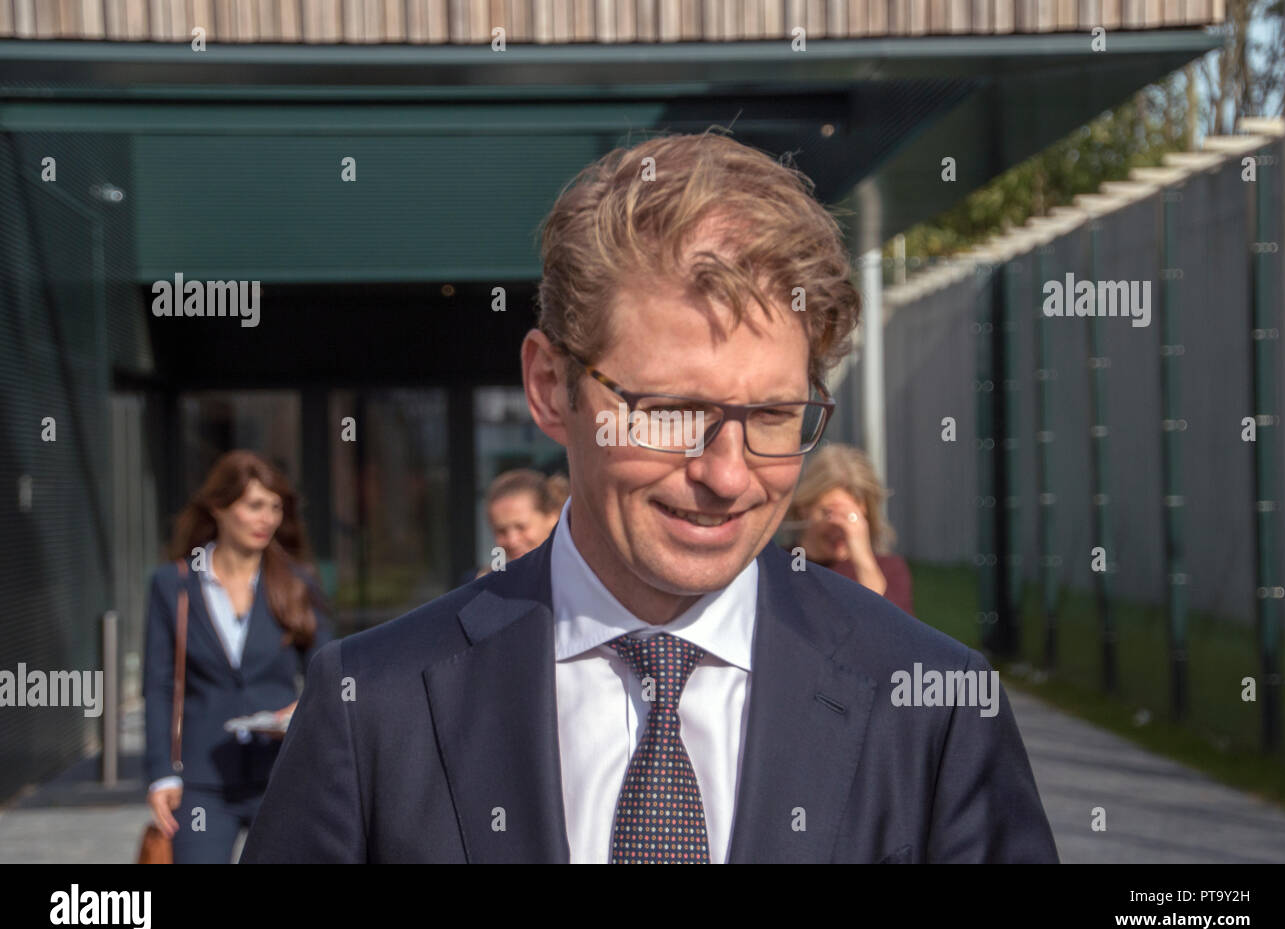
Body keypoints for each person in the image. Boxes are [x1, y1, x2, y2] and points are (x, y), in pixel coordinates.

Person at [243, 129, 1057, 863]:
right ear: (552, 387)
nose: (728, 475)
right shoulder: (372, 707)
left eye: (774, 415)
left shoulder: (934, 707)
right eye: (671, 413)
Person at [144, 449, 333, 863]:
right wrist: (160, 773)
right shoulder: (173, 584)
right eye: (254, 506)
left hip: (282, 775)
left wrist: (300, 709)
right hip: (202, 781)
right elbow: (158, 685)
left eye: (275, 508)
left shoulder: (298, 582)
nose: (267, 518)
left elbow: (329, 674)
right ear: (219, 506)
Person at [790, 443, 913, 615]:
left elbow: (897, 634)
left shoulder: (889, 570)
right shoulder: (780, 566)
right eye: (830, 513)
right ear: (805, 508)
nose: (841, 527)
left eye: (851, 517)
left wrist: (863, 562)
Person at [475, 469, 568, 577]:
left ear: (552, 517)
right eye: (501, 531)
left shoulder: (579, 576)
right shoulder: (491, 584)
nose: (512, 541)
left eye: (521, 527)